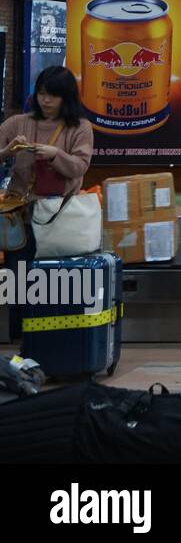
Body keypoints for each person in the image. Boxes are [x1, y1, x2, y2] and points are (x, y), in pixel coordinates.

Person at [0, 66, 94, 341]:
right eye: (41, 94)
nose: (46, 101)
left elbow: (79, 166)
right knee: (18, 279)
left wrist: (55, 154)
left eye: (53, 95)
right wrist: (8, 151)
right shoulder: (19, 123)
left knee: (55, 279)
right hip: (20, 216)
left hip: (58, 217)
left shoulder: (80, 128)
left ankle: (53, 340)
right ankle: (20, 339)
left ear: (66, 98)